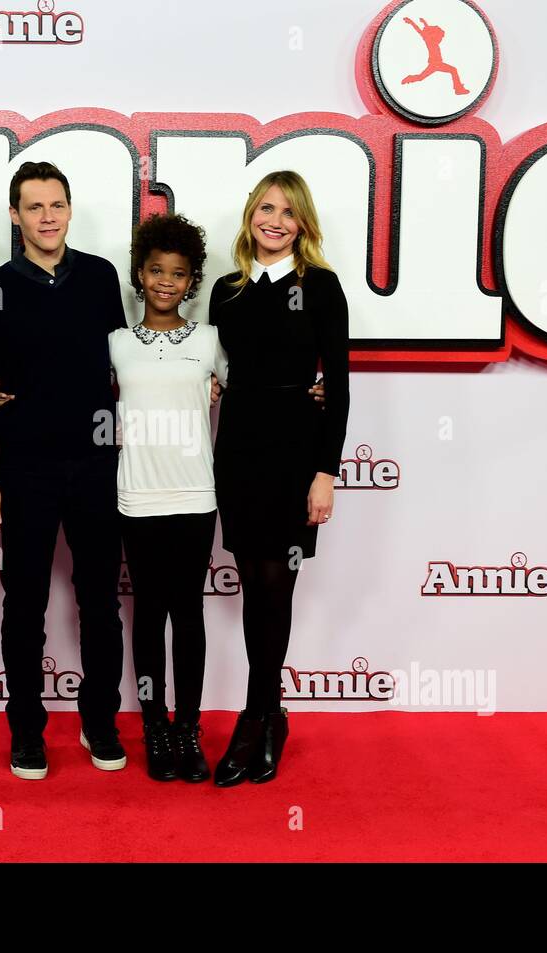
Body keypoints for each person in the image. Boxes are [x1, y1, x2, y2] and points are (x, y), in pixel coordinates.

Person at [0, 160, 129, 780]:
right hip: (26, 467)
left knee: (101, 605)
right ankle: (27, 732)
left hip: (96, 464)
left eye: (56, 204)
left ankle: (100, 722)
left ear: (69, 207)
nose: (47, 217)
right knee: (25, 604)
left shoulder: (99, 276)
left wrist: (199, 383)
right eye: (34, 207)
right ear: (15, 215)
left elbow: (124, 367)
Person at [208, 170, 350, 786]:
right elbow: (211, 366)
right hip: (238, 448)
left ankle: (258, 715)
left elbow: (339, 385)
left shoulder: (320, 286)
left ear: (302, 224)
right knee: (251, 583)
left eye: (288, 212)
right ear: (250, 215)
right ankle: (266, 713)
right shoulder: (225, 290)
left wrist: (326, 472)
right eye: (266, 208)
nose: (275, 220)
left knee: (276, 586)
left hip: (295, 452)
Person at [109, 213, 225, 783]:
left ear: (191, 280)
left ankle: (188, 729)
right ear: (140, 273)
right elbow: (67, 390)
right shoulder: (116, 344)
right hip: (138, 497)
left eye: (177, 274)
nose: (164, 282)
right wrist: (5, 393)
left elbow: (255, 391)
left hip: (195, 495)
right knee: (149, 614)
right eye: (155, 270)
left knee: (190, 613)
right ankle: (155, 724)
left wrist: (313, 389)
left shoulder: (209, 343)